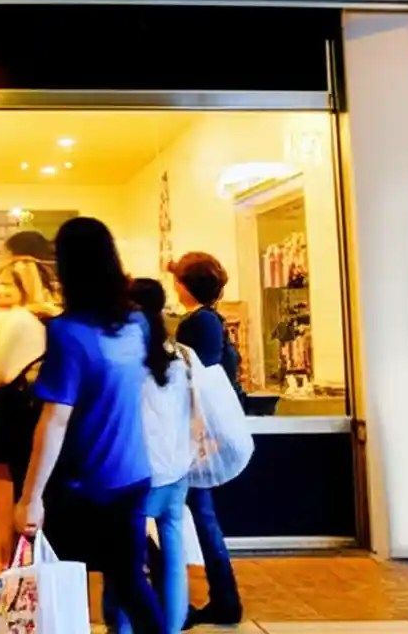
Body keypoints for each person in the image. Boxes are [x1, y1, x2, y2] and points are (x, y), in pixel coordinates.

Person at [14, 217, 163, 634]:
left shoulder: (67, 332)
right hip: (133, 473)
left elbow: (55, 419)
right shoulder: (137, 324)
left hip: (83, 482)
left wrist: (30, 497)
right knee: (130, 579)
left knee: (61, 584)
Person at [113, 278, 196, 634]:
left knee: (123, 558)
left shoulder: (125, 356)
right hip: (176, 466)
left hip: (135, 470)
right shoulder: (179, 354)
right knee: (174, 552)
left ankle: (123, 627)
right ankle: (172, 627)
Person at [169, 252, 244, 627]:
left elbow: (195, 382)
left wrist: (195, 437)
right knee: (198, 516)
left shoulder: (196, 326)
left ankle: (211, 601)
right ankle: (221, 599)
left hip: (197, 434)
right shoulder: (212, 321)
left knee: (191, 517)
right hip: (206, 432)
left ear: (183, 285)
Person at [0, 230, 60, 572]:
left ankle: (12, 598)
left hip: (8, 429)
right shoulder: (57, 320)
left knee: (7, 523)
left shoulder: (20, 322)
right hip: (35, 429)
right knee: (29, 519)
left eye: (5, 284)